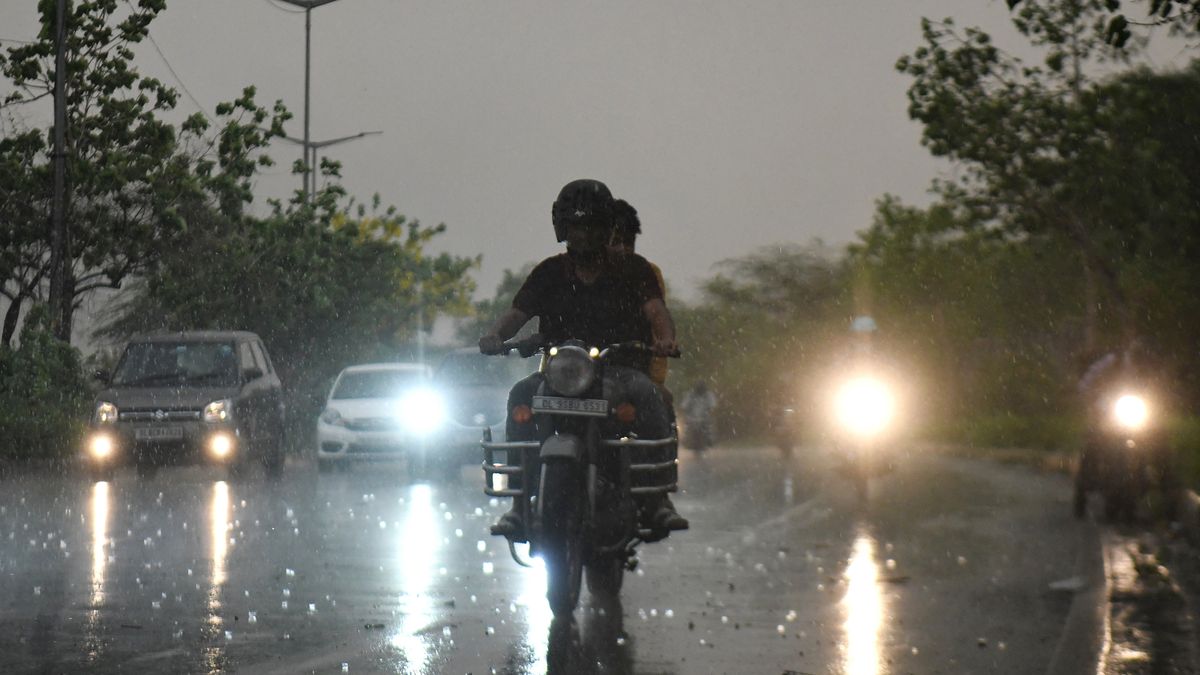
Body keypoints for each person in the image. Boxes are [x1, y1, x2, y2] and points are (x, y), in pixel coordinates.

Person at [479, 178, 688, 537]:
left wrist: (666, 339)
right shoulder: (549, 272)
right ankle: (518, 506)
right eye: (577, 227)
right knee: (521, 394)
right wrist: (496, 335)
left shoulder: (634, 270)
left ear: (607, 228)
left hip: (620, 370)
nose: (584, 235)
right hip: (561, 374)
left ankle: (656, 499)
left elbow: (656, 311)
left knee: (651, 396)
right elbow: (517, 313)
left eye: (592, 226)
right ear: (563, 229)